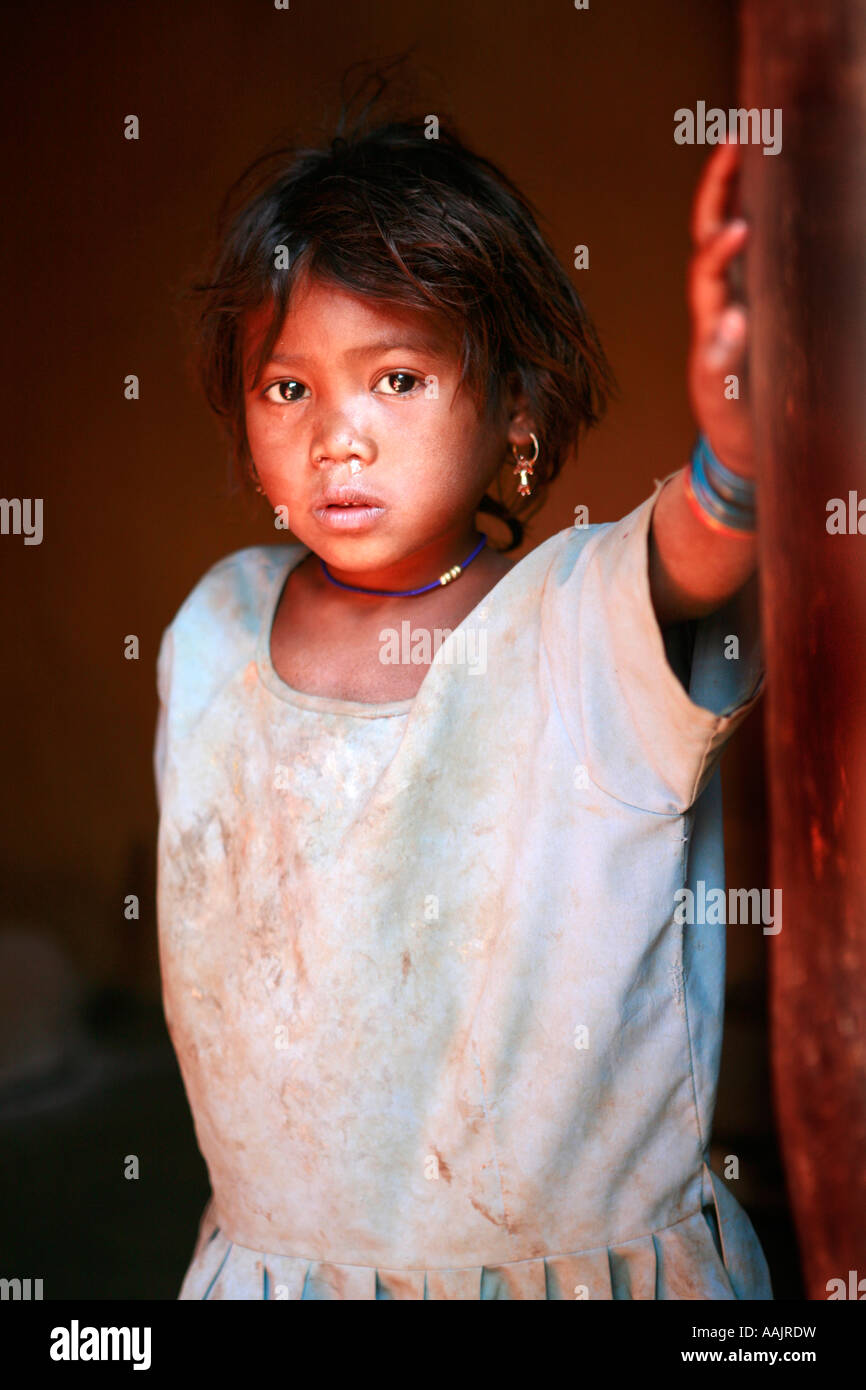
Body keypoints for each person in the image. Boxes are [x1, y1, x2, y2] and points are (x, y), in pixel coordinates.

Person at [153, 103, 772, 1299]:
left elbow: (694, 552)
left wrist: (738, 461)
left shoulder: (575, 619)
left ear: (514, 416)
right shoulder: (214, 633)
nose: (338, 437)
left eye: (396, 377)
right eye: (287, 389)